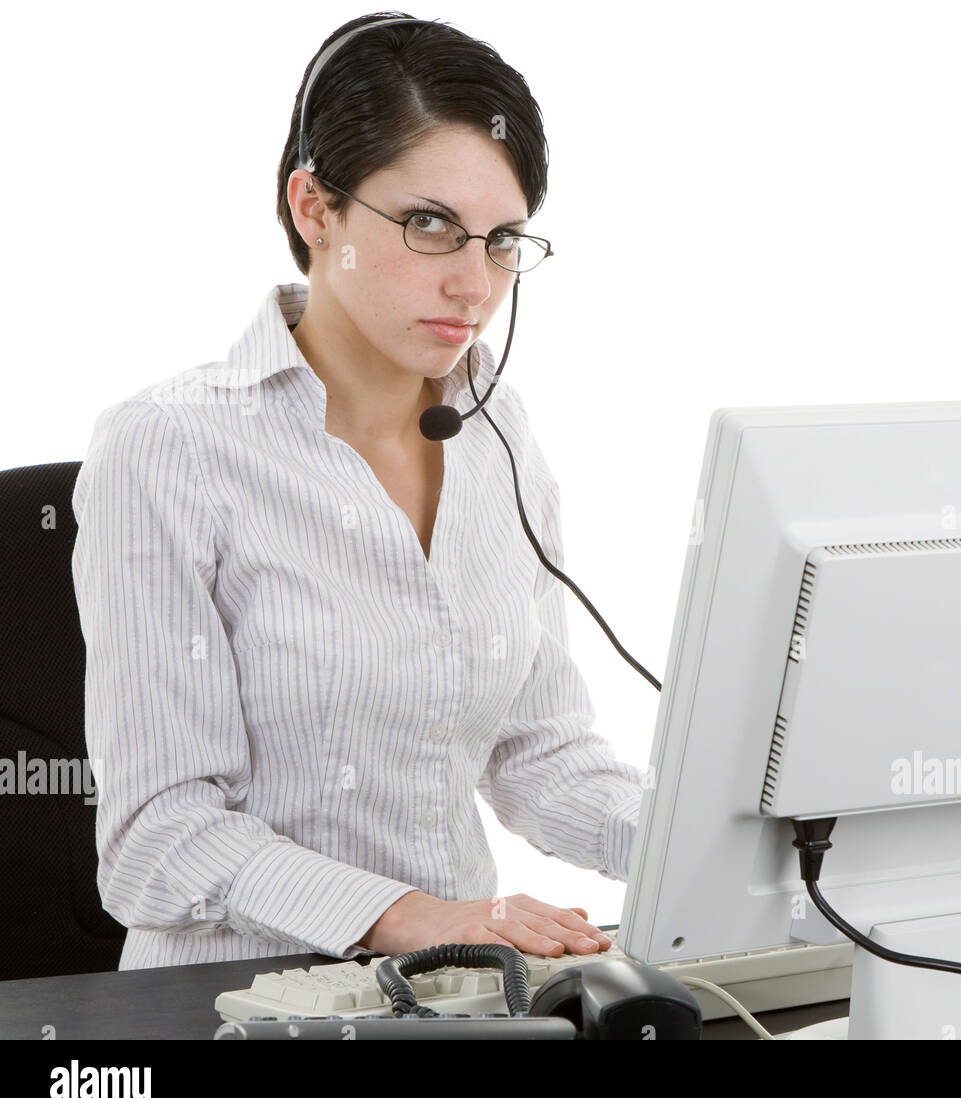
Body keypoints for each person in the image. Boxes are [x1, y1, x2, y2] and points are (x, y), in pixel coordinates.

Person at [70, 12, 645, 971]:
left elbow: (540, 756)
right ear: (315, 209)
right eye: (429, 226)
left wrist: (745, 847)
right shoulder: (169, 448)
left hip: (459, 997)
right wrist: (418, 916)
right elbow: (156, 838)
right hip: (225, 1006)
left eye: (502, 239)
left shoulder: (499, 436)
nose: (474, 283)